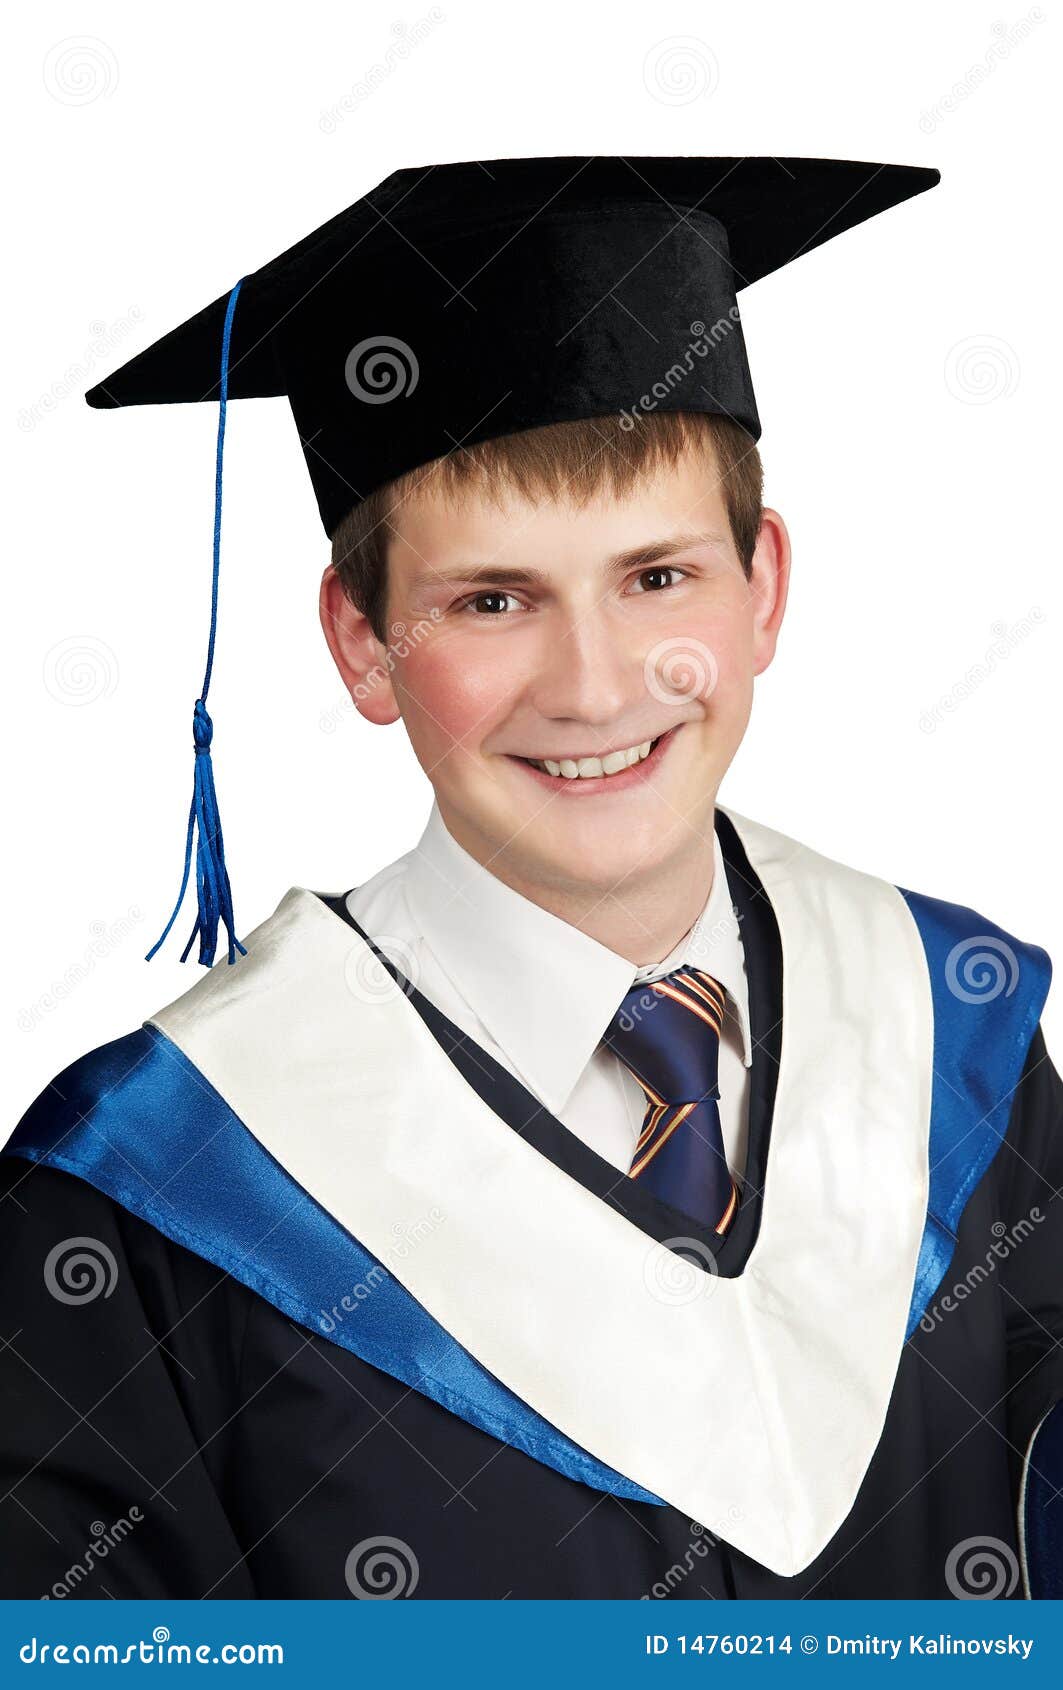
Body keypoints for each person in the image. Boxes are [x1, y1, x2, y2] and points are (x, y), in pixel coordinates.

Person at [1, 156, 1060, 1601]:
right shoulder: (151, 1184)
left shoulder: (952, 1028)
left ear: (766, 590)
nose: (593, 684)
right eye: (492, 601)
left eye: (658, 577)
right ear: (362, 643)